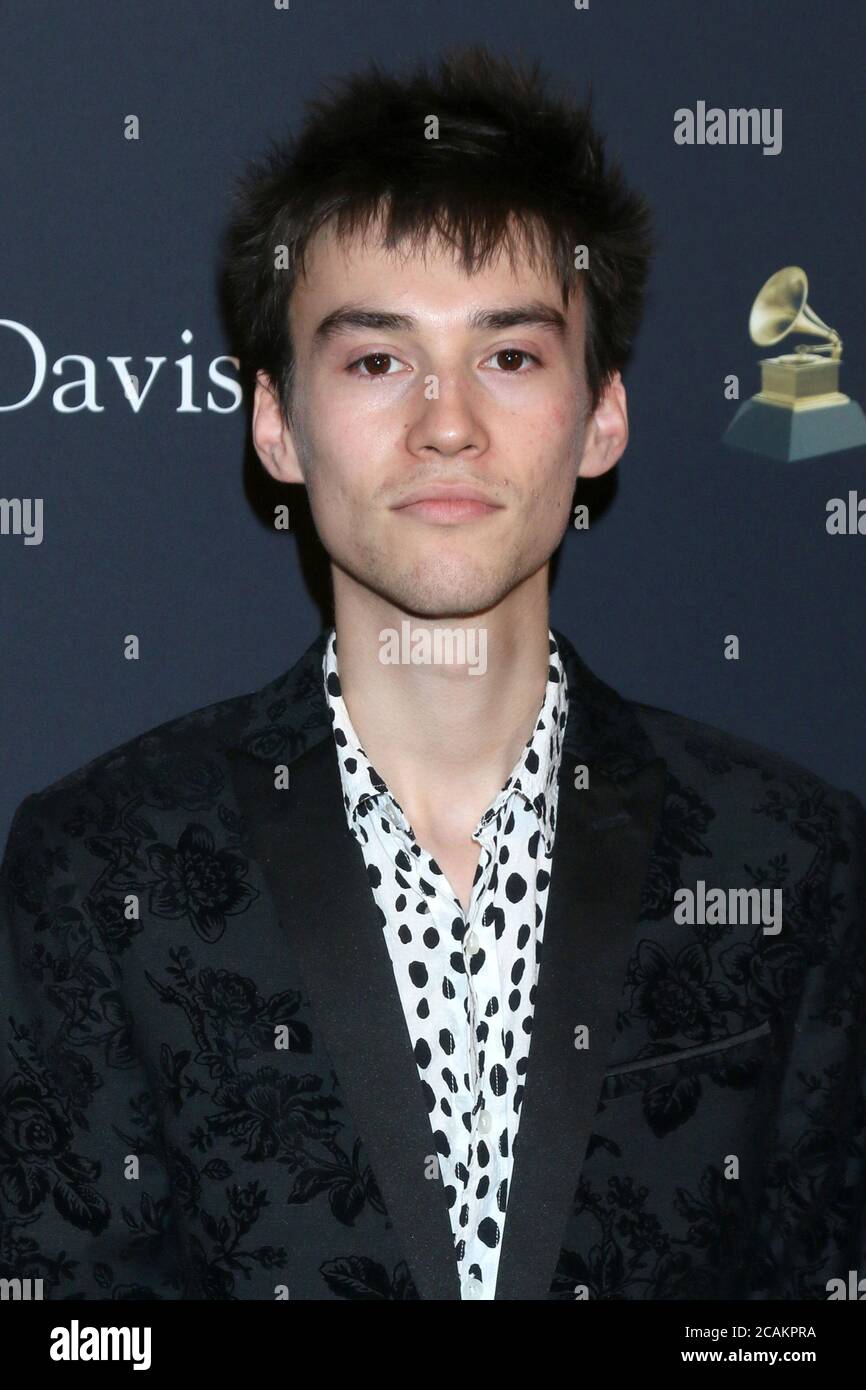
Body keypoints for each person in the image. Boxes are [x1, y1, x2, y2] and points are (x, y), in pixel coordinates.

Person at [1, 46, 863, 1302]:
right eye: (373, 360)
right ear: (277, 426)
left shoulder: (787, 860)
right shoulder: (100, 866)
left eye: (508, 357)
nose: (446, 421)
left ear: (602, 414)